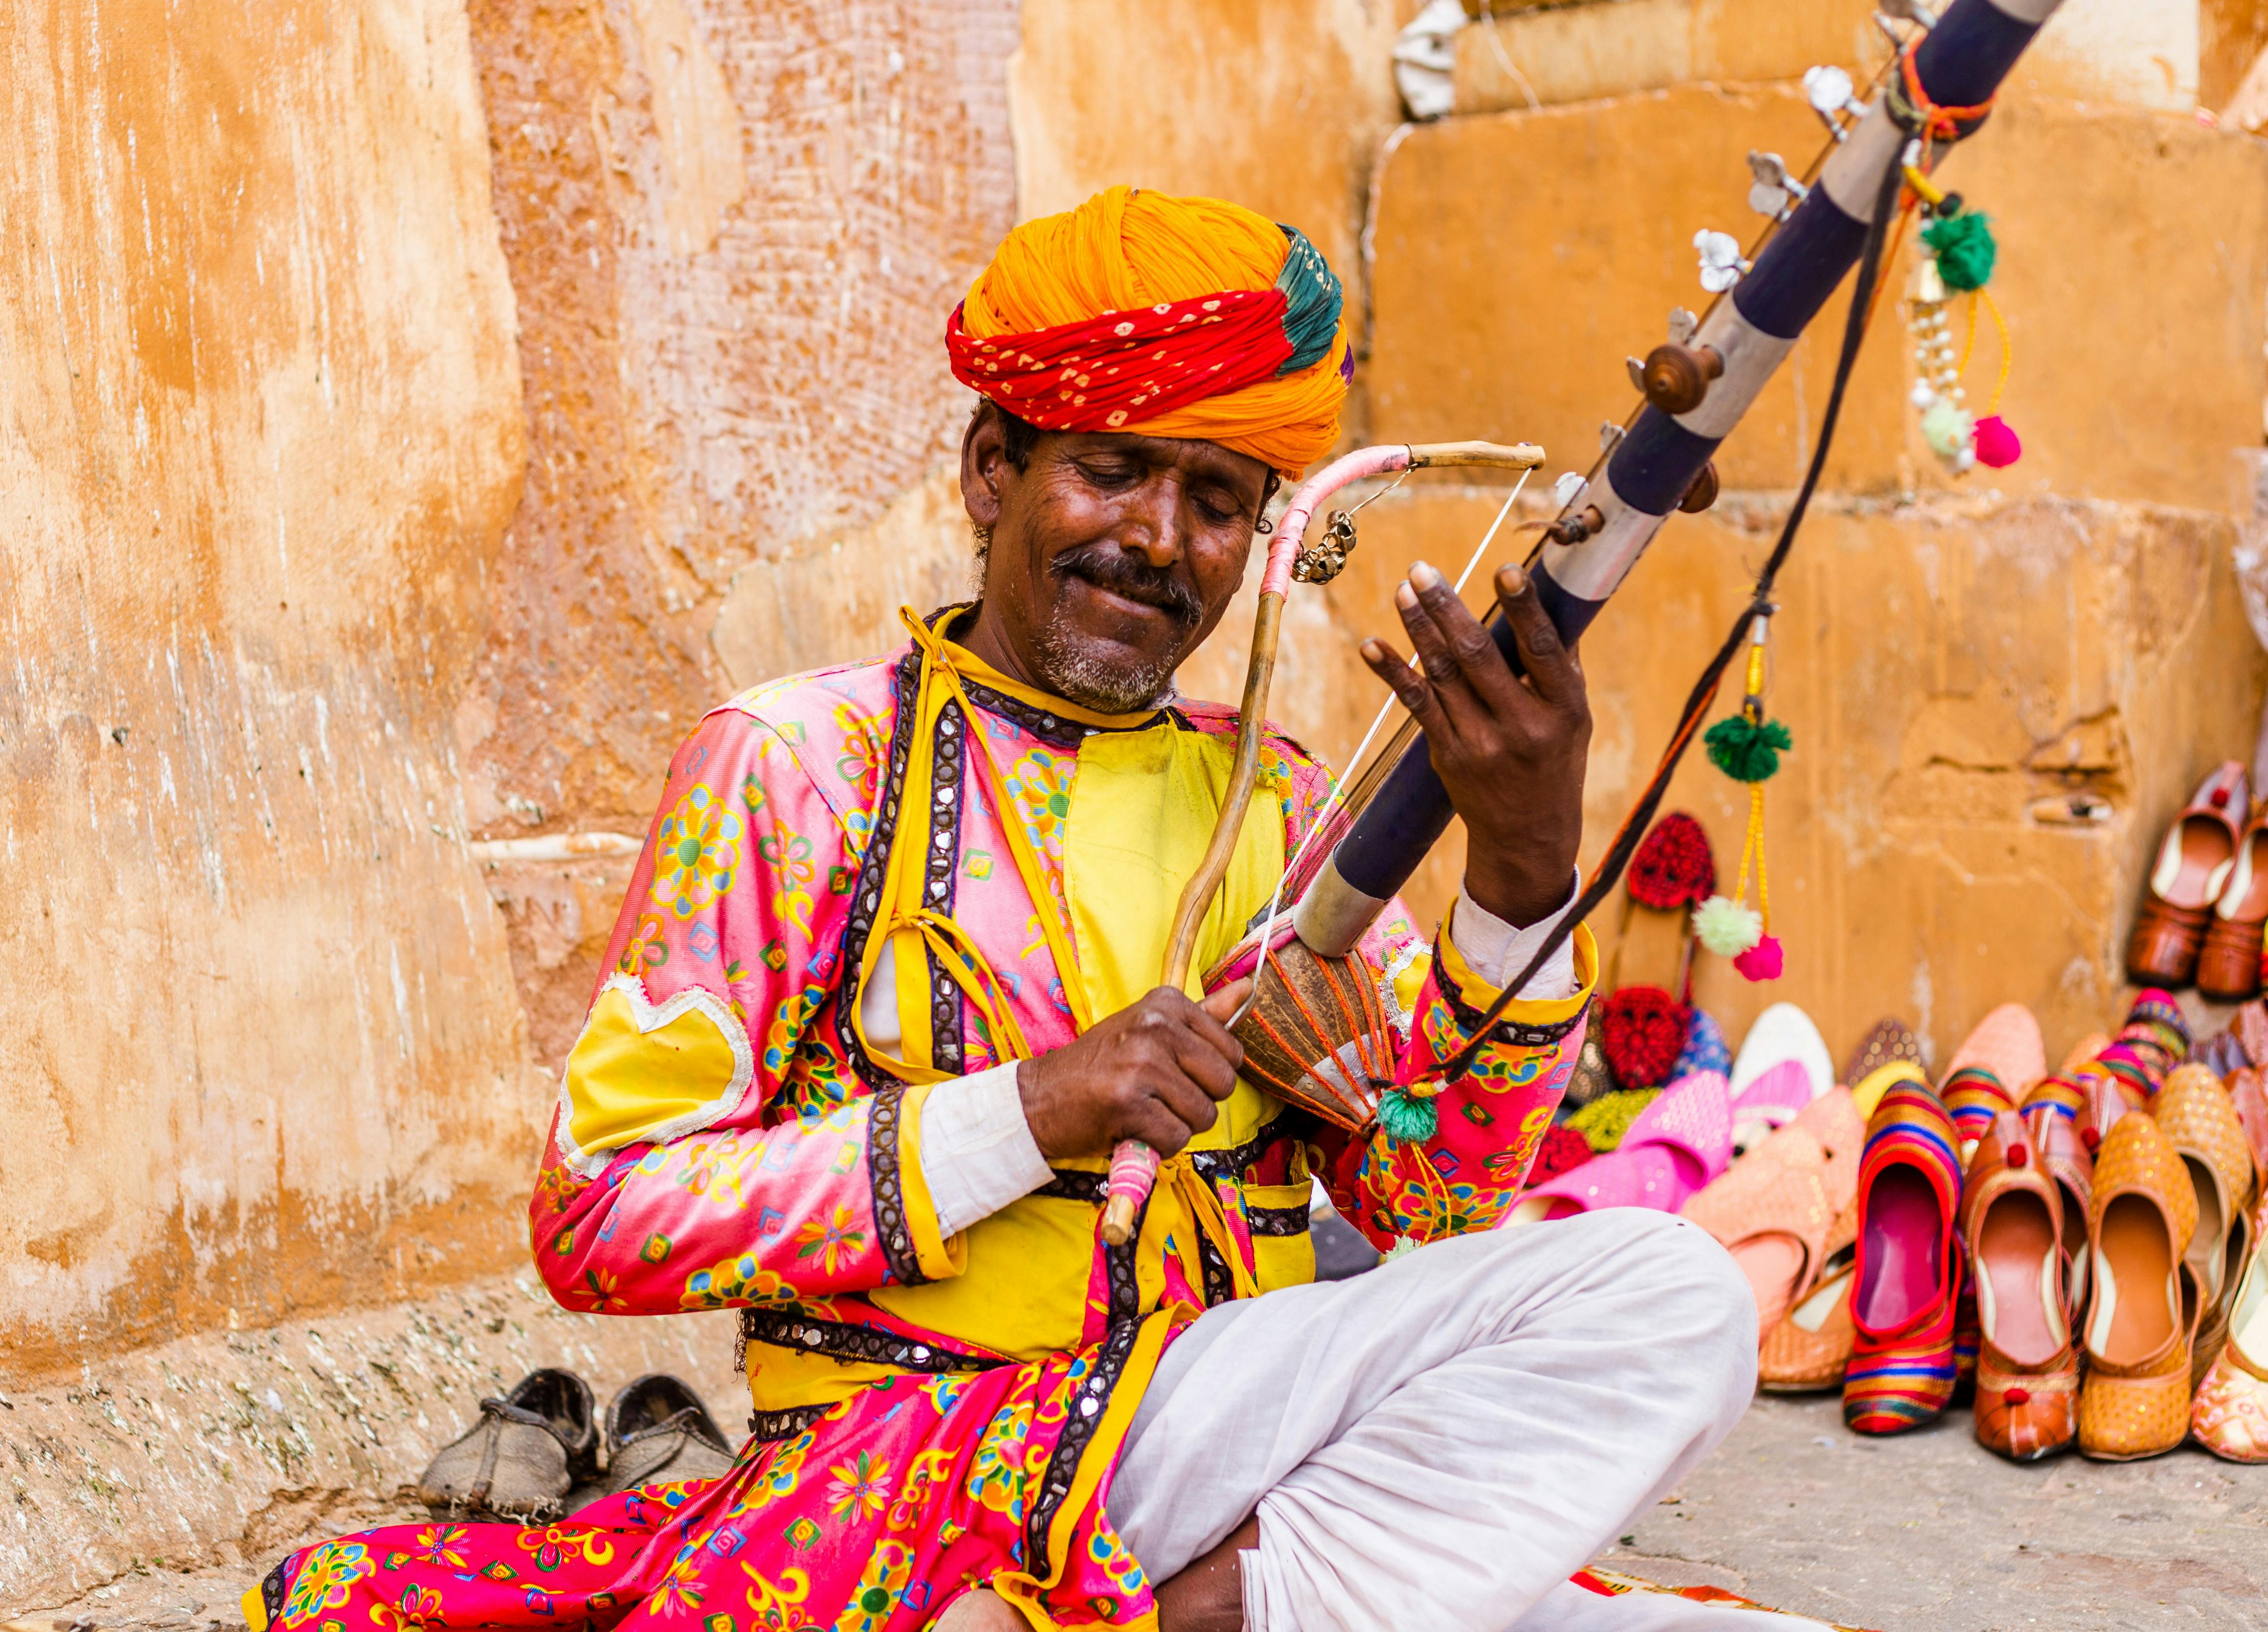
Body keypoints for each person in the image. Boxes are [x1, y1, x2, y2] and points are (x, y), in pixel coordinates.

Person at [250, 186, 1790, 1632]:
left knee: (1682, 1326)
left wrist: (1522, 880)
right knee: (1648, 1331)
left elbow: (1430, 1207)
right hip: (900, 1481)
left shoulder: (1280, 799)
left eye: (1215, 498)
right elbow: (602, 1221)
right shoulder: (800, 766)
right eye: (1111, 470)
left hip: (1215, 1437)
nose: (1160, 538)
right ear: (993, 469)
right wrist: (1033, 1109)